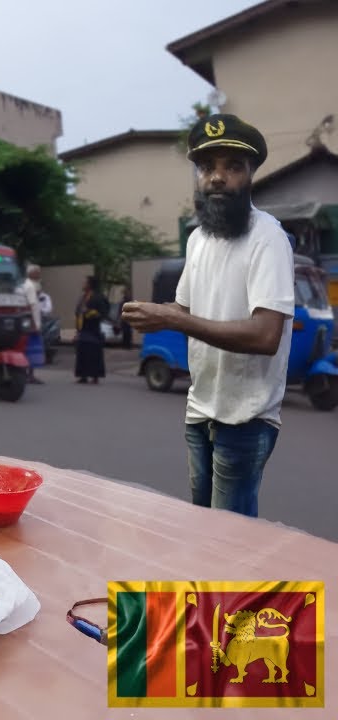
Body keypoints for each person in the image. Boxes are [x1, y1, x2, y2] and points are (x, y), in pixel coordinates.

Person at [121, 114, 293, 518]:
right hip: (200, 408)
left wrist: (175, 320)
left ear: (251, 176)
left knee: (227, 537)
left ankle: (235, 584)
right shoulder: (198, 239)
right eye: (207, 167)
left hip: (246, 416)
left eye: (232, 167)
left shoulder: (268, 238)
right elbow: (184, 309)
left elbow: (266, 336)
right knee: (202, 525)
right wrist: (156, 314)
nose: (217, 177)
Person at [74, 275, 109, 384]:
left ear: (90, 285)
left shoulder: (98, 297)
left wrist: (90, 313)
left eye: (85, 282)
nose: (83, 284)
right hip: (82, 328)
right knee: (82, 352)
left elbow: (103, 312)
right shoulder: (83, 297)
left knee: (94, 353)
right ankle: (83, 376)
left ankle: (95, 376)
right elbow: (78, 310)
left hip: (93, 328)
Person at [20, 263, 44, 383]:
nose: (40, 273)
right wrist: (34, 324)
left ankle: (30, 374)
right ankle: (29, 374)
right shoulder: (29, 286)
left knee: (32, 350)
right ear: (31, 273)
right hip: (32, 324)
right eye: (37, 271)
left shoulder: (33, 285)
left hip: (34, 322)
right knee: (31, 350)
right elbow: (30, 306)